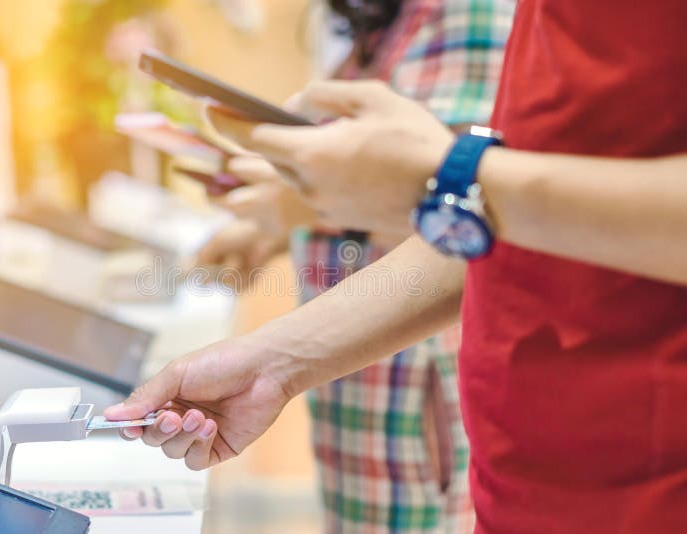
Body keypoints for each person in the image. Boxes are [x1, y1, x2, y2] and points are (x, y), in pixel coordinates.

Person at [106, 1, 687, 532]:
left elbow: (471, 205)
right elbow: (489, 228)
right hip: (524, 477)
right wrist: (272, 364)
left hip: (639, 484)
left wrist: (444, 179)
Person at [196, 1, 514, 532]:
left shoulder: (467, 13)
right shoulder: (389, 23)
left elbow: (461, 217)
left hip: (415, 364)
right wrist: (270, 233)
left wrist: (291, 205)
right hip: (355, 361)